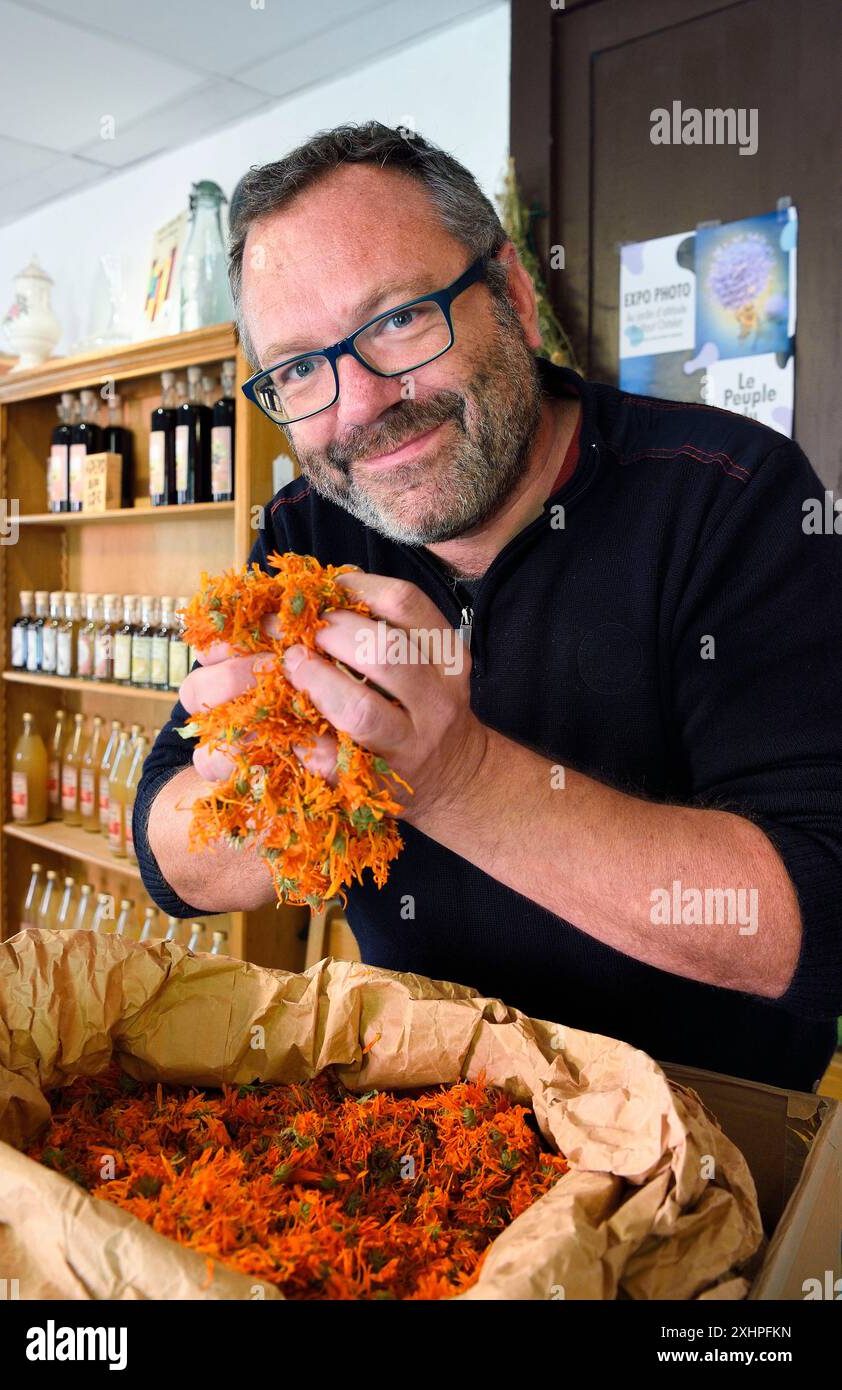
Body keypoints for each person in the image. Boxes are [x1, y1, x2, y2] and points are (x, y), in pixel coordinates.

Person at [133, 121, 842, 1091]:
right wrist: (291, 775)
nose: (355, 408)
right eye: (298, 367)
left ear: (510, 292)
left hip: (705, 1124)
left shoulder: (730, 492)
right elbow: (170, 855)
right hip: (415, 1103)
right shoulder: (307, 530)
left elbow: (818, 913)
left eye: (395, 320)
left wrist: (453, 775)